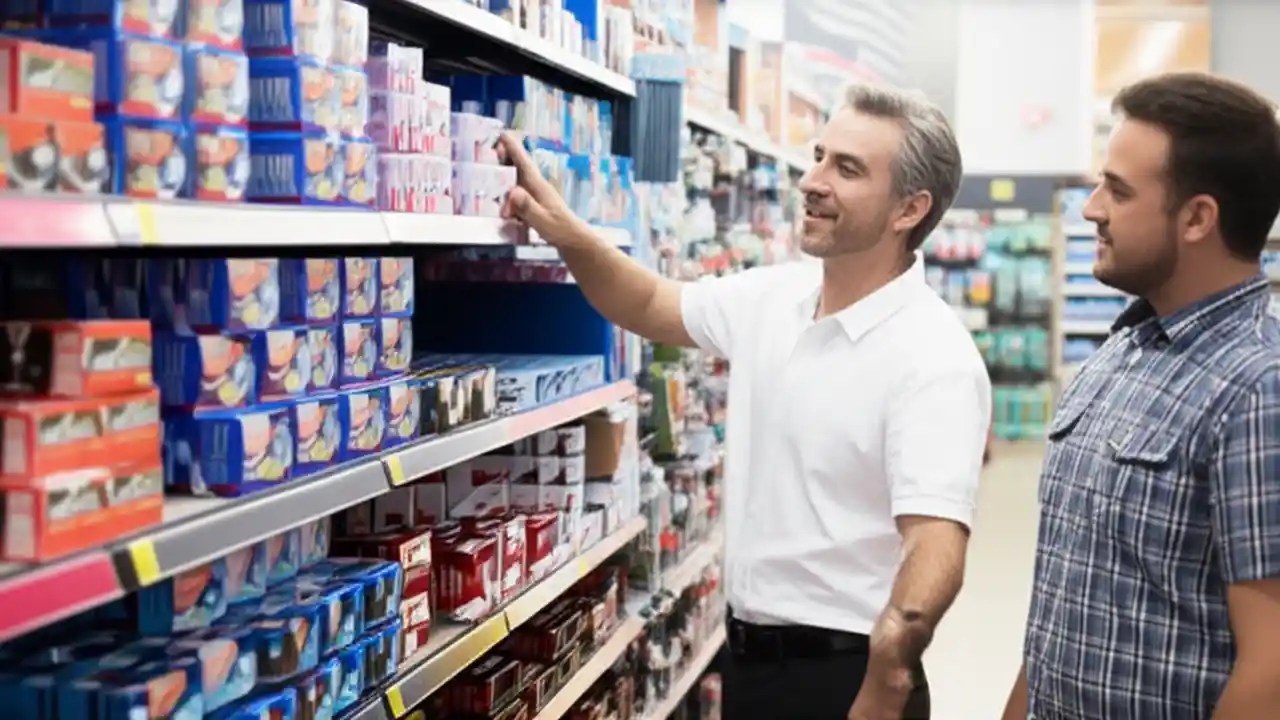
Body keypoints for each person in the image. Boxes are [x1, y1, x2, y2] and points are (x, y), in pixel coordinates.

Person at [499, 83, 990, 720]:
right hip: (752, 661)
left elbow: (936, 547)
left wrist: (888, 678)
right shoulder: (773, 299)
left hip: (844, 679)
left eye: (847, 169)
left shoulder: (933, 356)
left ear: (908, 209)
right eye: (819, 156)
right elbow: (649, 303)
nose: (813, 180)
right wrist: (563, 228)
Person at [1002, 72, 1280, 720]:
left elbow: (1270, 672)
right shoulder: (1119, 354)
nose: (1091, 207)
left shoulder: (1260, 391)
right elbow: (1066, 602)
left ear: (1197, 218)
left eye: (1117, 191)